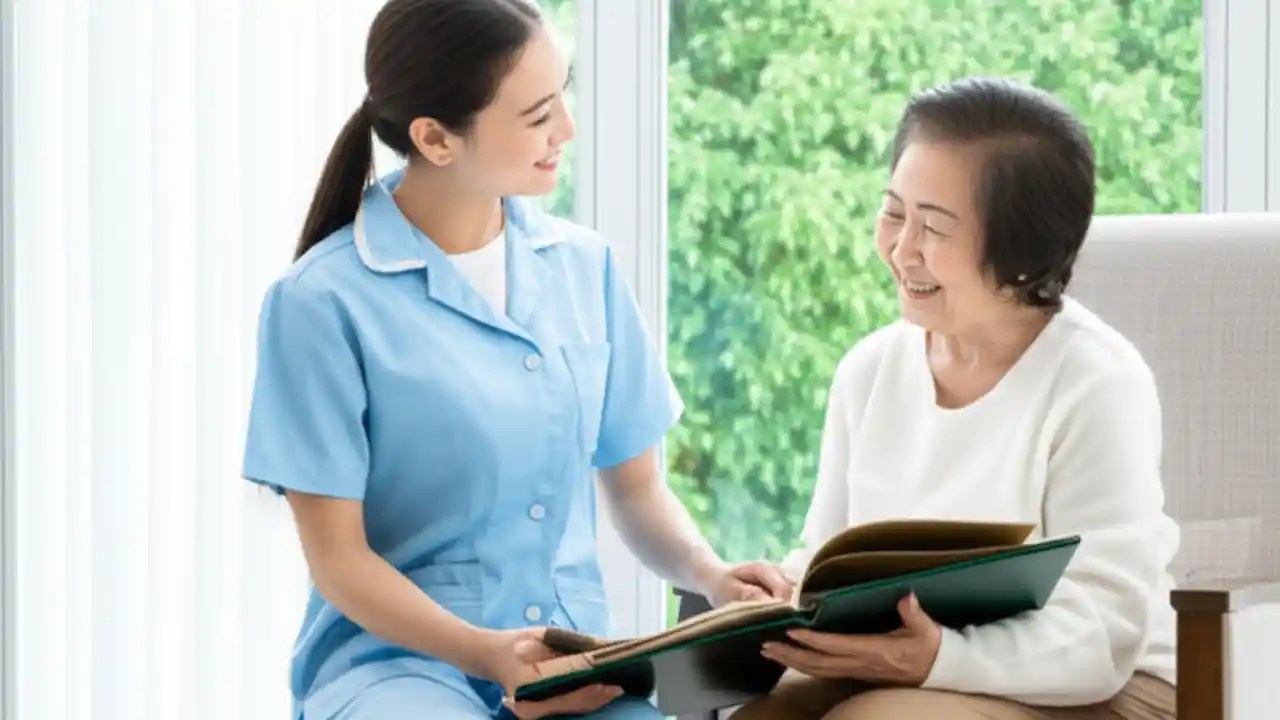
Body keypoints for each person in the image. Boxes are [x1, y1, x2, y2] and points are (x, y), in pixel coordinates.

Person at [240, 2, 792, 718]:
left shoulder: (584, 268)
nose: (568, 128)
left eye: (563, 94)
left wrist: (711, 575)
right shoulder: (319, 303)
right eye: (537, 115)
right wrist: (487, 654)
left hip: (572, 662)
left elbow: (636, 488)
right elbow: (340, 562)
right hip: (395, 670)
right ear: (436, 139)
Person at [733, 77, 1180, 719]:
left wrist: (938, 657)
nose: (901, 248)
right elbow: (827, 558)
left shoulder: (1097, 382)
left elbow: (1103, 635)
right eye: (893, 213)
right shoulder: (869, 370)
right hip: (913, 667)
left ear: (1022, 249)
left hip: (1109, 683)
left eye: (935, 228)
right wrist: (780, 601)